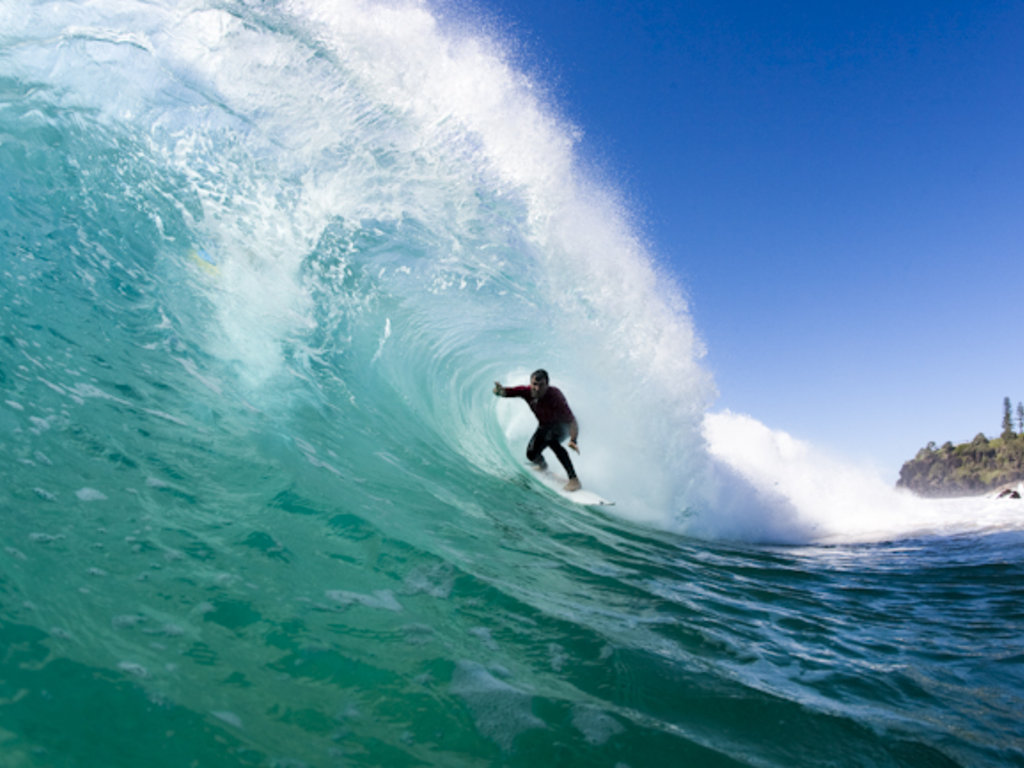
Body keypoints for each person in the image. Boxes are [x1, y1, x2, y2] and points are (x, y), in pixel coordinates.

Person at [493, 369, 581, 491]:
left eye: (541, 385)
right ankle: (543, 466)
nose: (537, 388)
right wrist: (499, 391)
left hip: (563, 427)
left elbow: (572, 421)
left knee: (551, 440)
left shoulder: (555, 396)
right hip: (545, 426)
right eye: (534, 384)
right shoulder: (527, 392)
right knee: (531, 454)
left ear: (547, 385)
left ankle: (574, 480)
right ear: (530, 383)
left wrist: (573, 440)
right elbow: (508, 392)